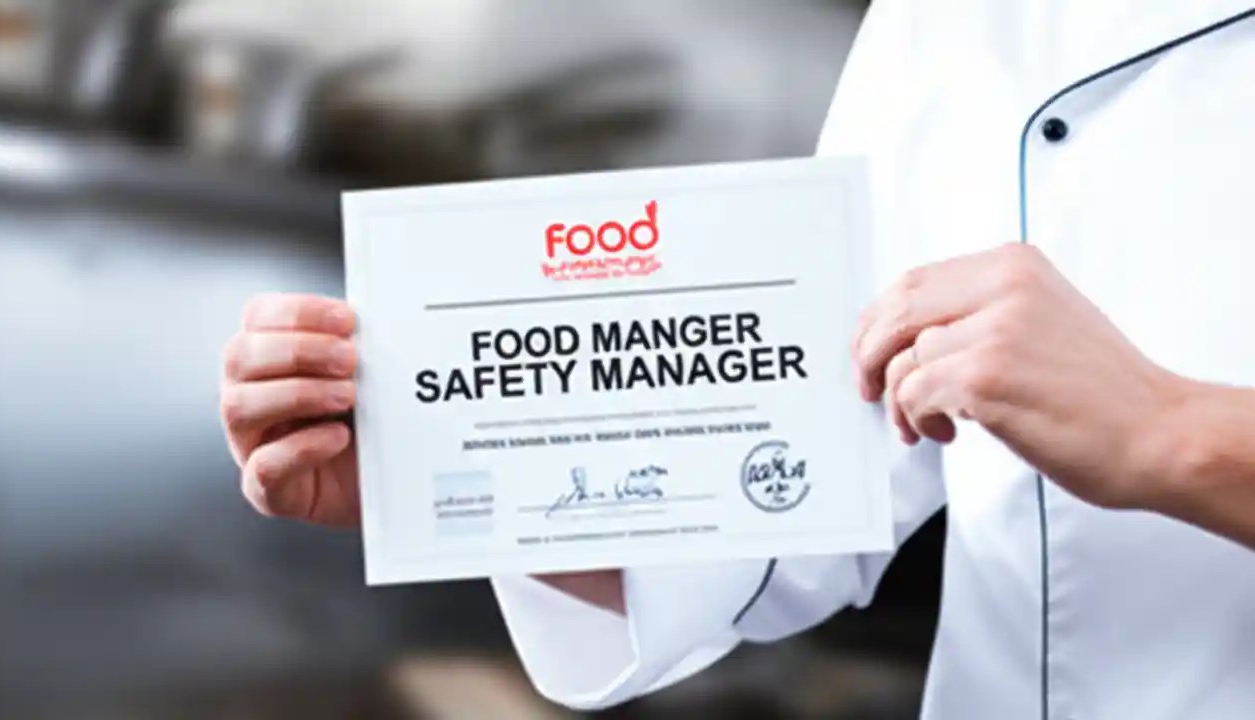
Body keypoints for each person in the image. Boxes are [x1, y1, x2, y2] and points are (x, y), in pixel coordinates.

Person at [217, 2, 1255, 718]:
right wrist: (469, 463)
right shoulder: (954, 22)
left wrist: (1177, 435)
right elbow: (806, 469)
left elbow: (1150, 428)